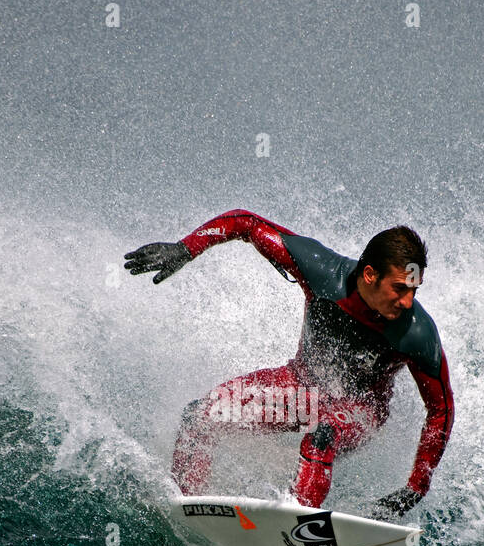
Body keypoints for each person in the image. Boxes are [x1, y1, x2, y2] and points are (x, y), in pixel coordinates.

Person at [124, 209, 454, 518]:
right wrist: (185, 249)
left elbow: (440, 410)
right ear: (370, 275)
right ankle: (189, 510)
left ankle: (299, 528)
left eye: (414, 290)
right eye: (399, 288)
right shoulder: (322, 272)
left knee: (322, 434)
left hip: (360, 411)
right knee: (200, 416)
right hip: (300, 388)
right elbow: (246, 224)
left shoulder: (417, 333)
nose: (408, 301)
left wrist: (416, 486)